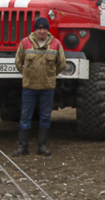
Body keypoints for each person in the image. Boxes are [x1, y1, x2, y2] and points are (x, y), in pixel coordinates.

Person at [14, 17, 66, 156]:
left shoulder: (56, 44)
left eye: (44, 29)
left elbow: (62, 63)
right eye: (39, 28)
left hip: (47, 87)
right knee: (25, 116)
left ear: (47, 30)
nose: (42, 31)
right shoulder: (25, 43)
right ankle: (22, 147)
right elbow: (18, 62)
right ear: (35, 30)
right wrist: (27, 74)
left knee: (45, 117)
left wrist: (51, 74)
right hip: (29, 87)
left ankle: (42, 147)